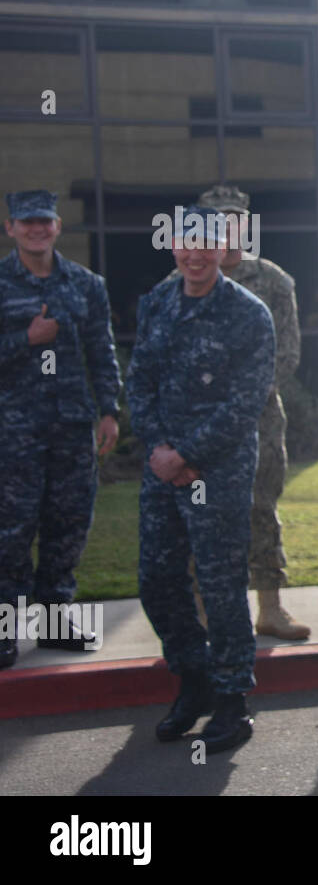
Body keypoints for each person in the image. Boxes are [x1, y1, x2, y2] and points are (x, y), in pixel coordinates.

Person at [127, 206, 275, 752]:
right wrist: (161, 450)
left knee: (221, 586)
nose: (195, 253)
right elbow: (138, 380)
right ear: (173, 247)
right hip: (162, 468)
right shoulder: (158, 303)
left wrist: (187, 454)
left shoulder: (248, 313)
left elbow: (246, 402)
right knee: (157, 582)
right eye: (186, 243)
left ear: (224, 248)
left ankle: (233, 703)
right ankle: (195, 682)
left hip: (220, 468)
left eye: (207, 243)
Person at [170, 184, 309, 641]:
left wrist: (243, 399)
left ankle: (270, 608)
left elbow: (287, 353)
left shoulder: (274, 280)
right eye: (217, 220)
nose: (227, 228)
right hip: (199, 428)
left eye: (235, 219)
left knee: (261, 510)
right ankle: (201, 613)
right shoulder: (178, 285)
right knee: (200, 511)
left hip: (260, 422)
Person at [0, 190, 120, 668]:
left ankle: (53, 620)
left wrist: (109, 409)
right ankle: (5, 625)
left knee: (68, 525)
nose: (36, 229)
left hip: (72, 425)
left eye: (44, 221)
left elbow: (101, 351)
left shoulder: (86, 284)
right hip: (14, 428)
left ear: (57, 226)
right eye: (26, 222)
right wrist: (24, 339)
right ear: (10, 227)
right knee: (11, 530)